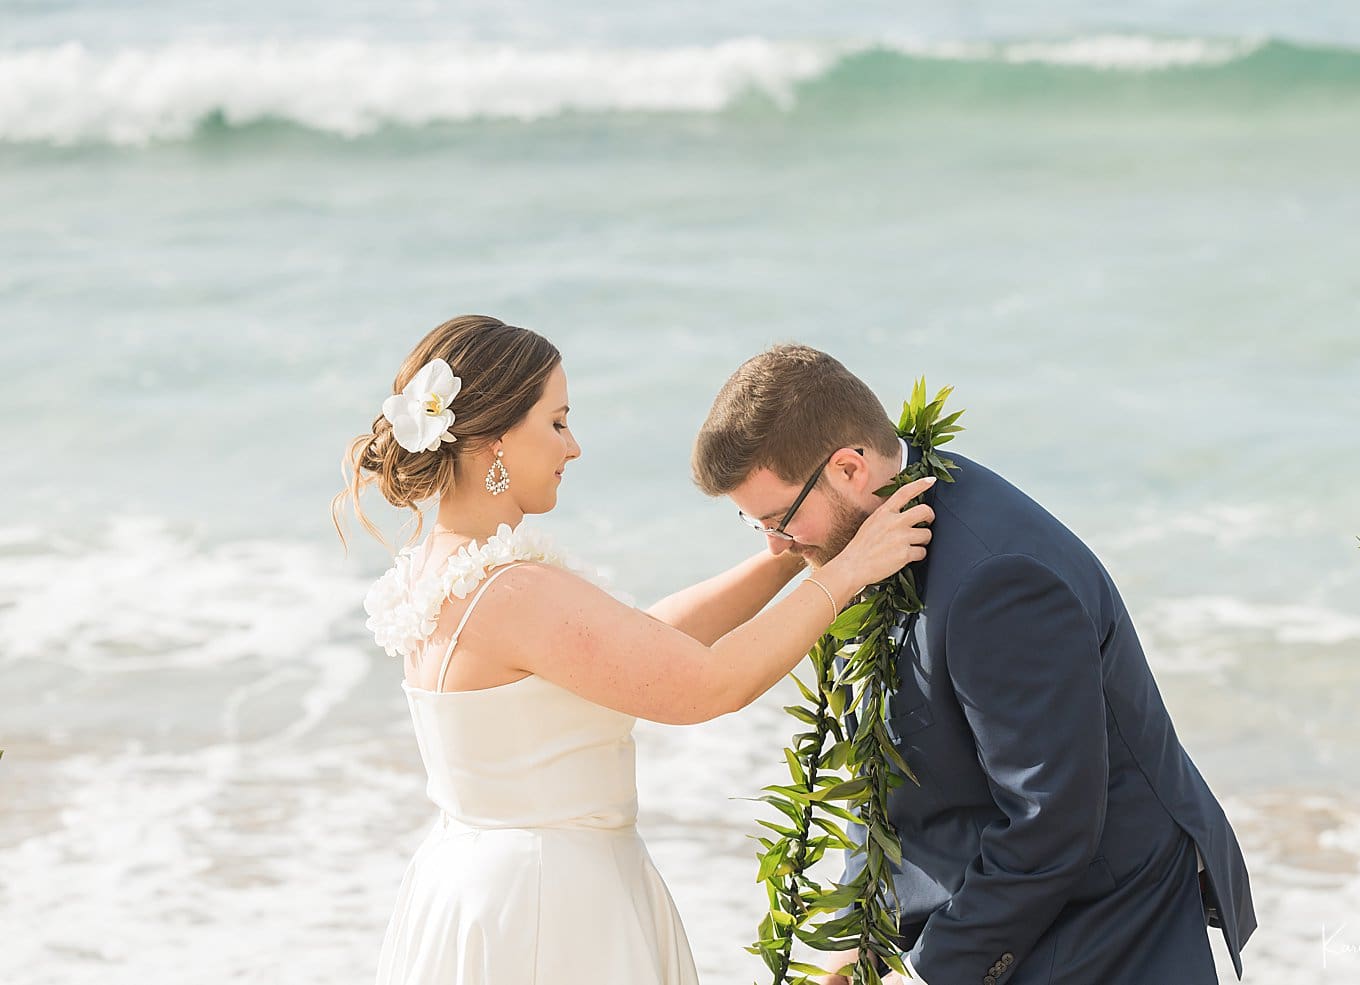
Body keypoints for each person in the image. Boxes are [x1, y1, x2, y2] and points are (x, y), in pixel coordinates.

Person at [332, 315, 936, 985]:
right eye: (557, 422)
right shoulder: (512, 590)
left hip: (474, 891)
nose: (574, 446)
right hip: (550, 910)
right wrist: (846, 571)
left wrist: (786, 560)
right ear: (495, 438)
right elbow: (706, 685)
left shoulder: (443, 571)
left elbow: (640, 643)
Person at [691, 344, 1257, 985]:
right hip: (999, 908)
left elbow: (1051, 825)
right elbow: (893, 772)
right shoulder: (871, 534)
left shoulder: (997, 580)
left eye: (779, 519)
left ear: (849, 468)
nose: (775, 546)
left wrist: (932, 974)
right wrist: (854, 943)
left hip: (1102, 931)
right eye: (753, 522)